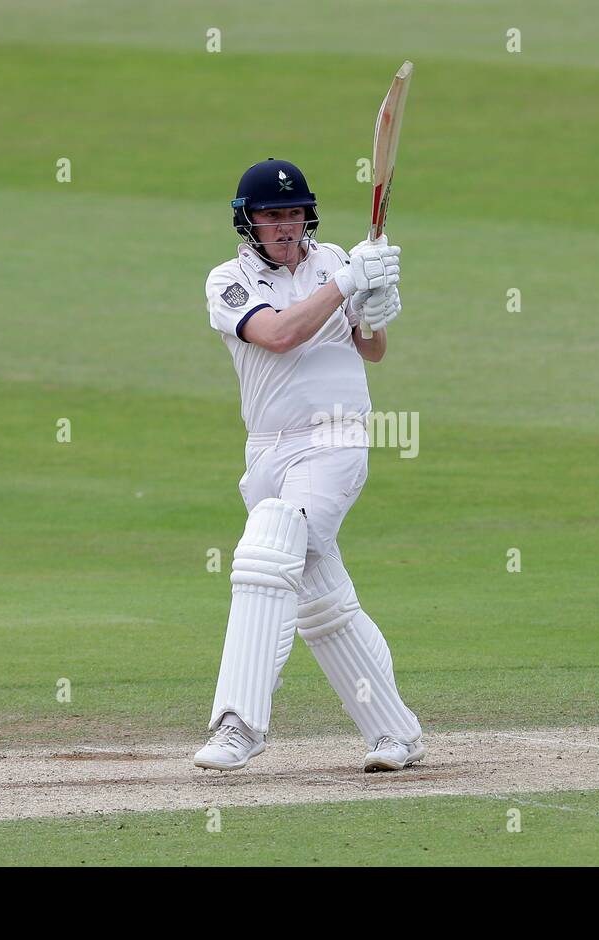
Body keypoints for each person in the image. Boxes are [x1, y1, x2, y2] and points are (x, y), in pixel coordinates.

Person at [193, 158, 423, 773]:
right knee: (319, 600)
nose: (286, 225)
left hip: (335, 439)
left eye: (294, 213)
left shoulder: (332, 263)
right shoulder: (227, 281)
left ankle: (238, 725)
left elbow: (371, 350)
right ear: (248, 222)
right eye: (272, 215)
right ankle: (393, 731)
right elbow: (278, 334)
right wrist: (349, 285)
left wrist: (373, 309)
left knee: (270, 545)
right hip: (267, 448)